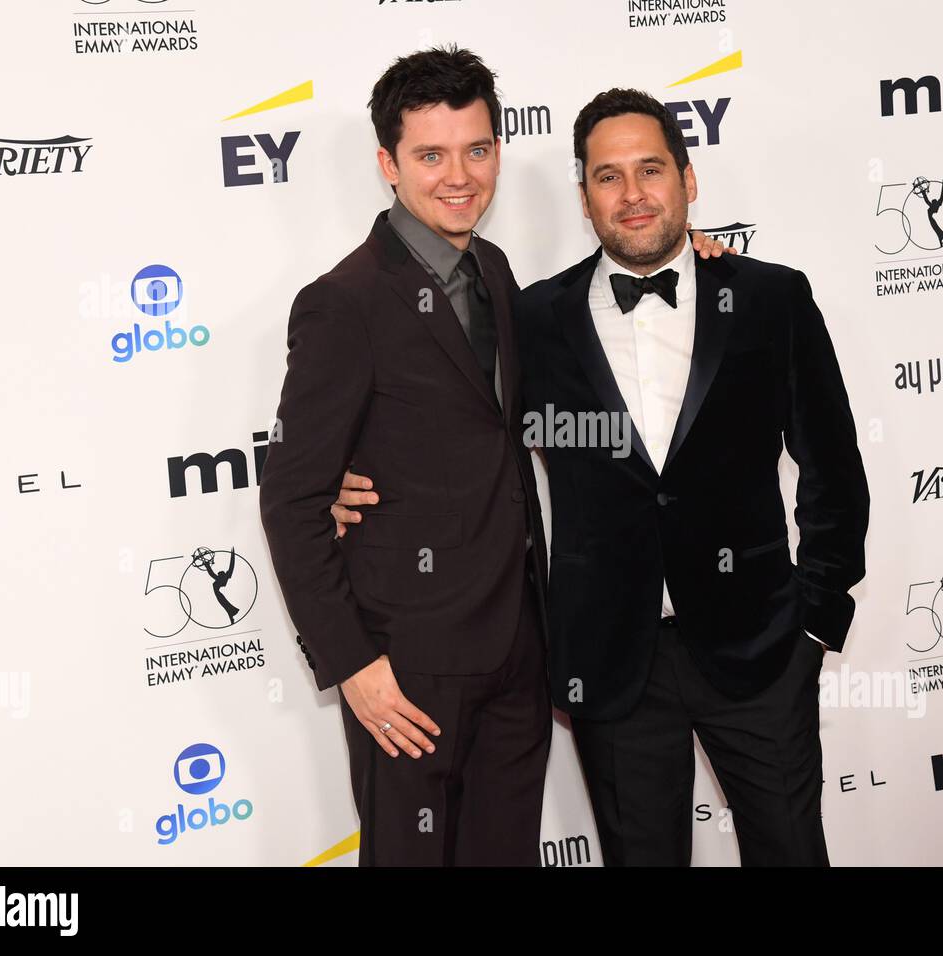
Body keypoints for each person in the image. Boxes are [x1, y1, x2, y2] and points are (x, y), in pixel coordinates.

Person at [338, 87, 870, 866]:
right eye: (607, 177)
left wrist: (816, 620)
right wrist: (348, 474)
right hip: (610, 668)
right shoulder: (535, 318)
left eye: (650, 170)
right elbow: (459, 419)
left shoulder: (770, 299)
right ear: (583, 198)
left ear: (689, 180)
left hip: (760, 653)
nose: (632, 195)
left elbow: (833, 466)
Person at [261, 49, 727, 867]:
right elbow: (291, 497)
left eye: (477, 150)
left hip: (521, 651)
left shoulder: (497, 269)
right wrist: (356, 666)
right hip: (406, 671)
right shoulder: (344, 302)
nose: (459, 176)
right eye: (431, 155)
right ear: (387, 165)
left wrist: (694, 266)